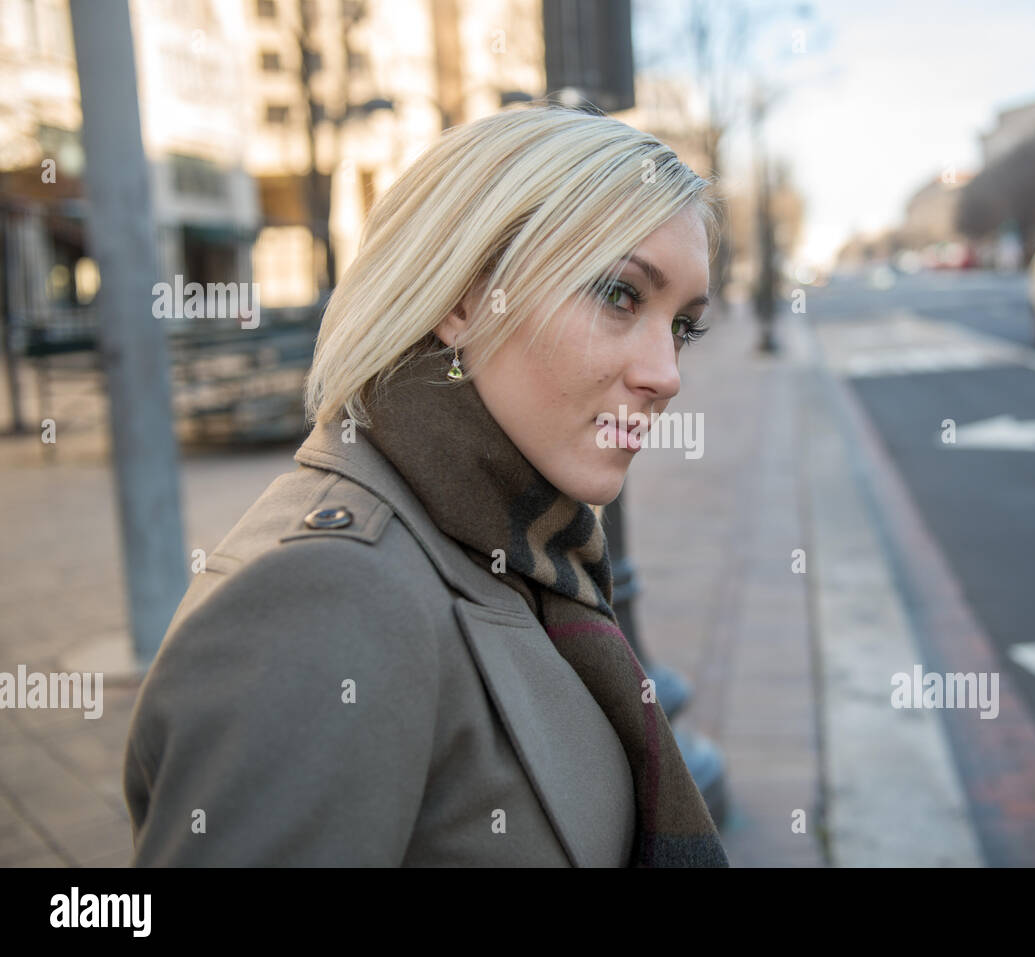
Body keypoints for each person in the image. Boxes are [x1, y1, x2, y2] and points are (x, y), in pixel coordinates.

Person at [122, 105, 729, 868]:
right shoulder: (329, 596)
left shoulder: (518, 540)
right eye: (619, 295)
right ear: (463, 299)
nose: (666, 375)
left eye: (683, 325)